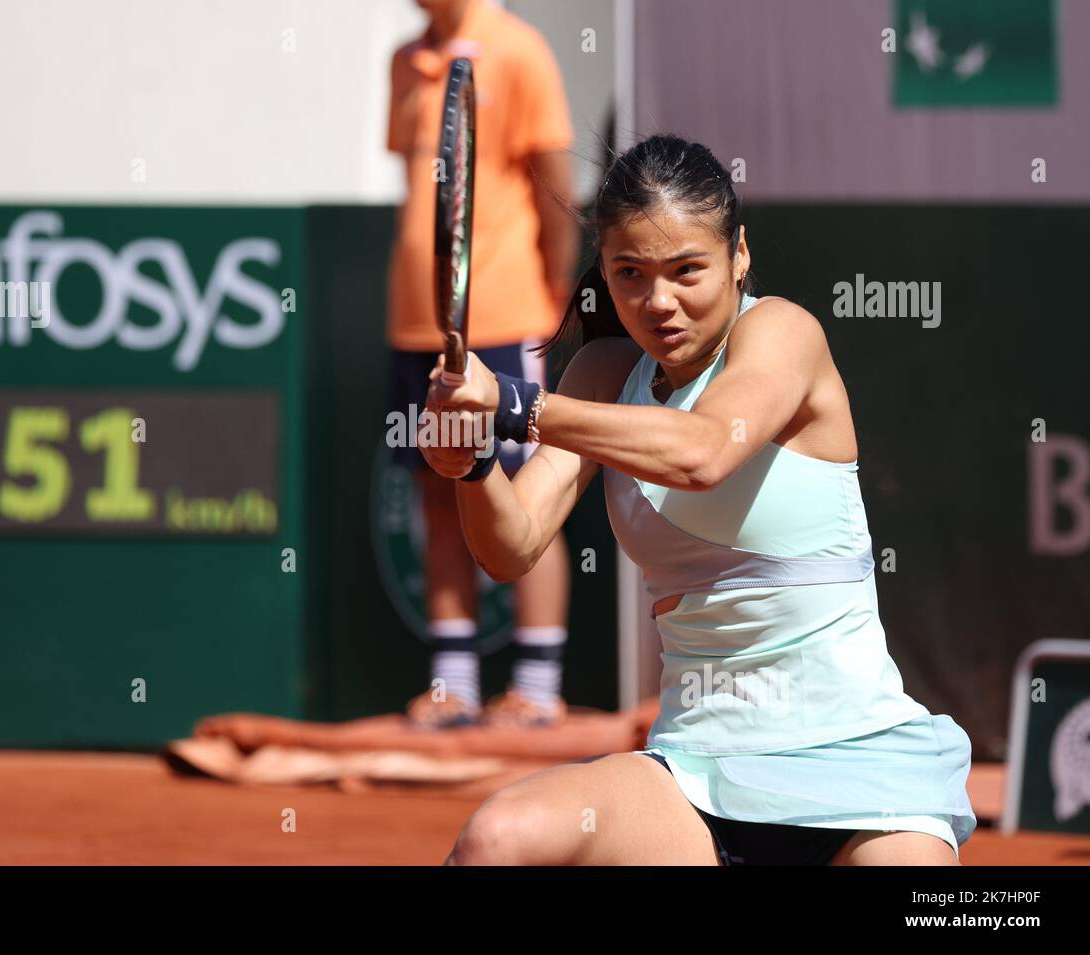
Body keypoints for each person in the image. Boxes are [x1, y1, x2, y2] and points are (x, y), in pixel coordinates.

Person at [419, 133, 977, 865]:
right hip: (693, 776)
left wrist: (517, 405)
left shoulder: (782, 332)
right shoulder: (600, 371)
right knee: (497, 837)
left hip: (862, 773)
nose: (659, 303)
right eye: (630, 274)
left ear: (738, 255)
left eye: (688, 271)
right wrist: (471, 462)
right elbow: (511, 544)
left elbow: (705, 450)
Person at [385, 0, 579, 728]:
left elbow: (555, 189)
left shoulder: (522, 51)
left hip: (508, 318)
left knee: (527, 489)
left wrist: (557, 297)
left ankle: (536, 685)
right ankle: (454, 686)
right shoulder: (402, 63)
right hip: (412, 323)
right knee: (436, 491)